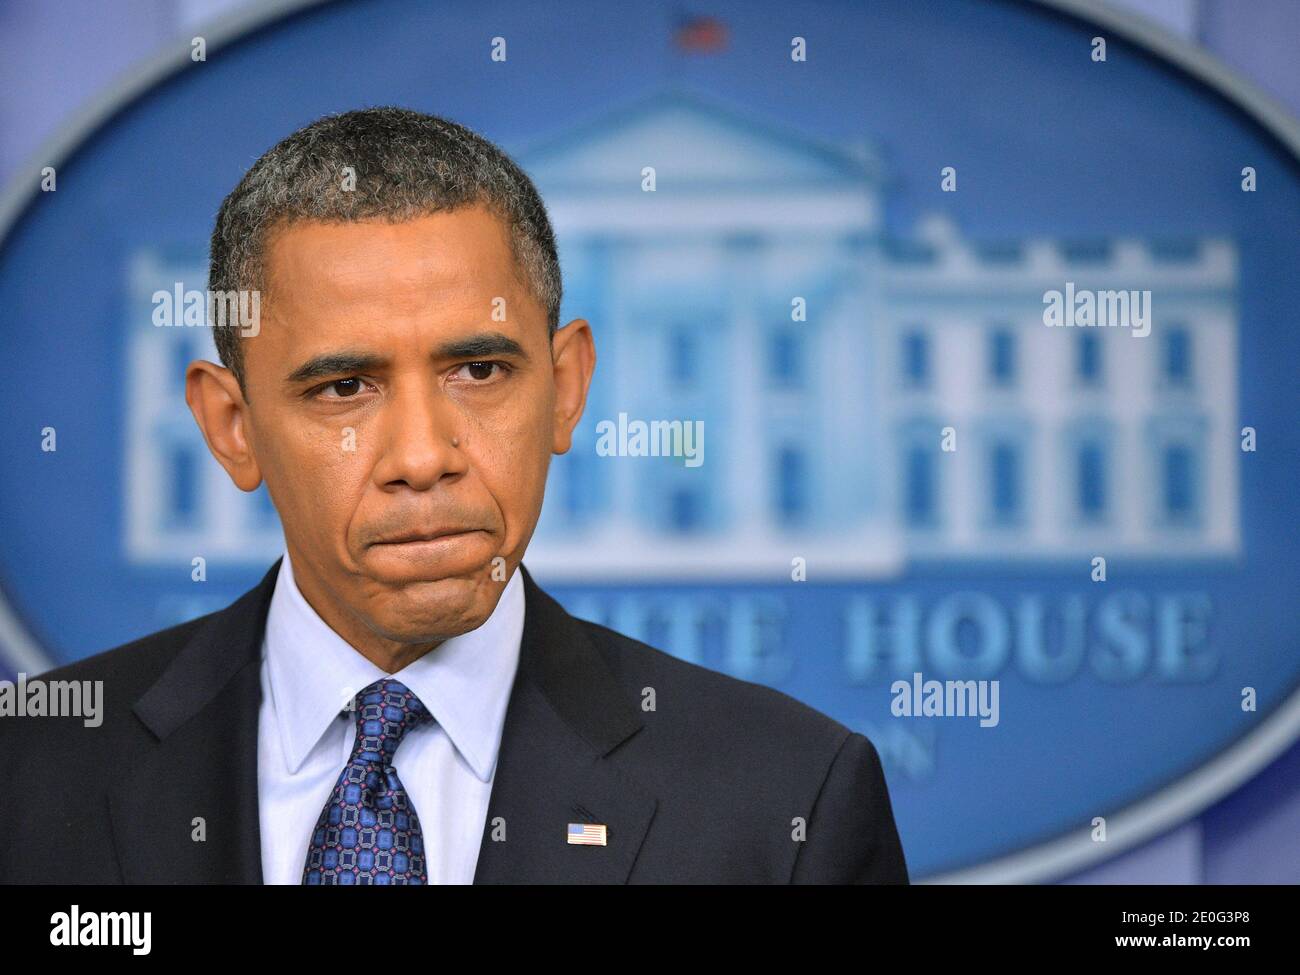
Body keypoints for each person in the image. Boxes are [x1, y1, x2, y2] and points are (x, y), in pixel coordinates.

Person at [0, 108, 907, 884]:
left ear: (565, 386)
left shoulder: (788, 802)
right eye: (344, 387)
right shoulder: (28, 777)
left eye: (479, 369)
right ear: (232, 426)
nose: (425, 456)